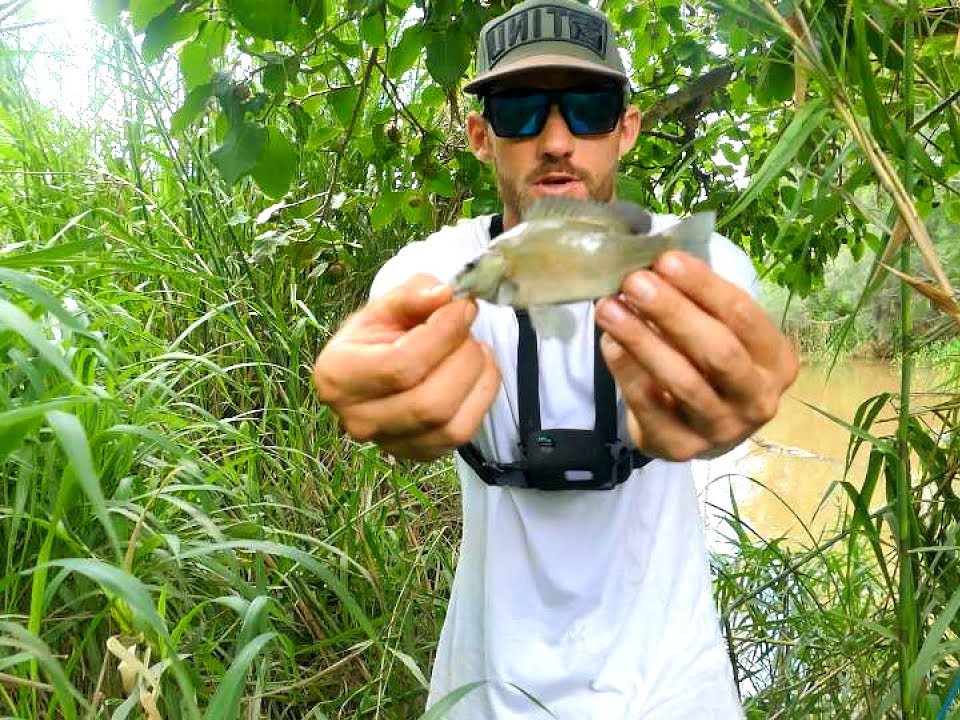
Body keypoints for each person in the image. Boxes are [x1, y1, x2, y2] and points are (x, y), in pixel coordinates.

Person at [312, 0, 799, 716]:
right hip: (485, 692)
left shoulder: (695, 263)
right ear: (481, 135)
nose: (557, 139)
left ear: (626, 129)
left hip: (673, 689)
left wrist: (732, 404)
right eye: (519, 111)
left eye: (590, 107)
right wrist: (377, 396)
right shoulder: (440, 269)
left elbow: (737, 333)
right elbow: (390, 322)